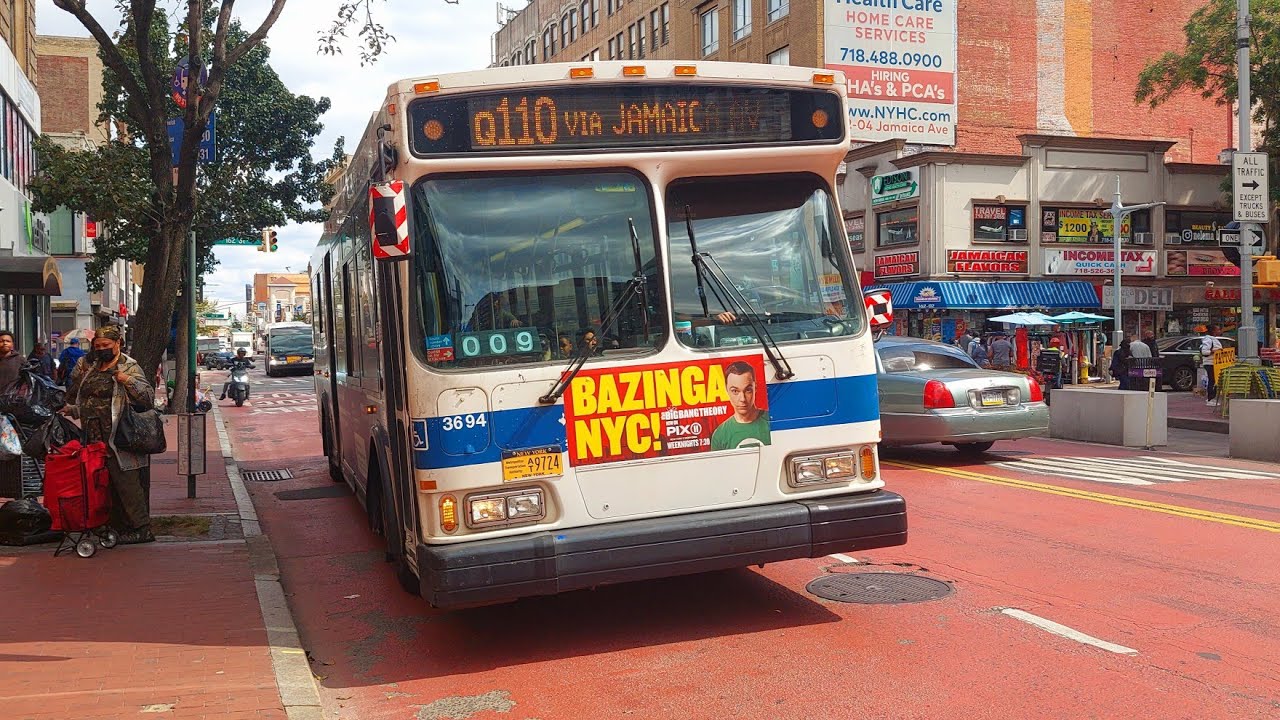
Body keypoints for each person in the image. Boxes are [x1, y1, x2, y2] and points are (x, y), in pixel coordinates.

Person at [62, 324, 156, 544]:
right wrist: (73, 410)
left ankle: (141, 528)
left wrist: (127, 381)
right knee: (101, 482)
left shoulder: (129, 367)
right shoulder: (90, 367)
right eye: (97, 346)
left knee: (126, 482)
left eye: (106, 345)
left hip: (120, 435)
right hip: (92, 436)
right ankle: (111, 525)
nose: (101, 349)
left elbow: (147, 397)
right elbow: (87, 398)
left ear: (118, 344)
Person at [710, 361, 771, 451]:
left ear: (755, 388)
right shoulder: (720, 435)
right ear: (727, 391)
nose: (742, 399)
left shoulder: (773, 421)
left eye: (748, 390)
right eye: (735, 391)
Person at [1201, 324, 1223, 405]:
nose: (1219, 331)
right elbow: (1204, 351)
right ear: (1213, 331)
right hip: (1210, 363)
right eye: (1218, 330)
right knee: (1212, 380)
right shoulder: (1208, 340)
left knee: (1213, 380)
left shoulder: (1212, 339)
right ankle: (1211, 399)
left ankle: (1212, 398)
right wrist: (1215, 351)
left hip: (1214, 363)